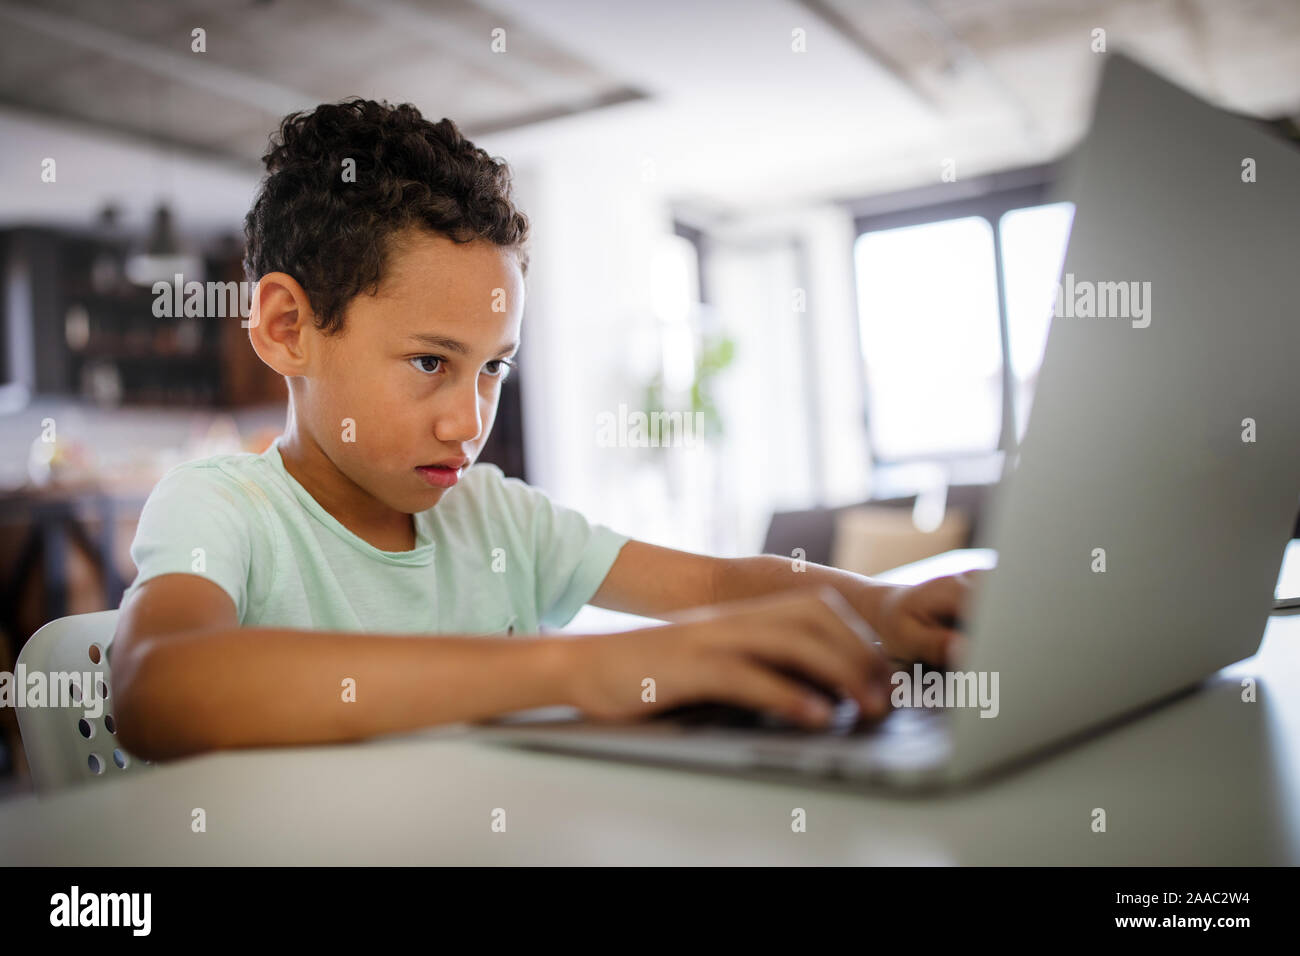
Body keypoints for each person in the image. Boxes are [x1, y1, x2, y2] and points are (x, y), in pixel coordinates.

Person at [113, 99, 976, 761]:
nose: (469, 420)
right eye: (428, 363)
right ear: (288, 328)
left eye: (494, 368)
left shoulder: (496, 519)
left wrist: (882, 606)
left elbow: (711, 587)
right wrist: (573, 671)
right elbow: (157, 689)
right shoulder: (220, 507)